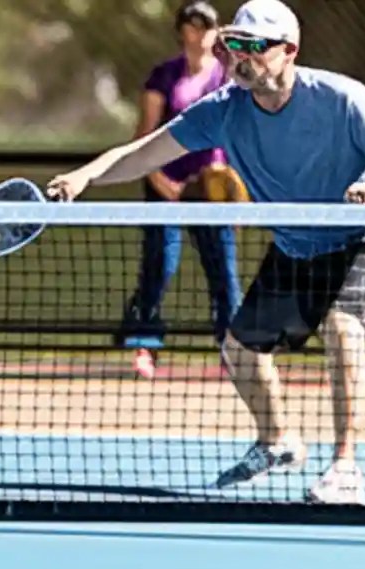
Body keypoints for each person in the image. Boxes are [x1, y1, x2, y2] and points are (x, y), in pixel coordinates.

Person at [46, 0, 365, 506]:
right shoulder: (222, 110)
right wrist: (85, 176)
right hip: (297, 242)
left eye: (254, 46)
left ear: (289, 51)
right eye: (234, 45)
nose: (240, 56)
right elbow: (143, 152)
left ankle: (345, 468)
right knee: (240, 348)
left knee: (342, 327)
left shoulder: (342, 99)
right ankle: (278, 440)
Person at [117, 1, 245, 381]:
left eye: (205, 26)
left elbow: (240, 133)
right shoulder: (164, 76)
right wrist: (160, 181)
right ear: (181, 32)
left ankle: (232, 351)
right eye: (191, 26)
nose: (198, 33)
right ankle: (144, 345)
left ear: (217, 31)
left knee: (224, 274)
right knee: (159, 267)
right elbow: (145, 135)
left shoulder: (228, 77)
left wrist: (233, 189)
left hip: (212, 195)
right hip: (167, 190)